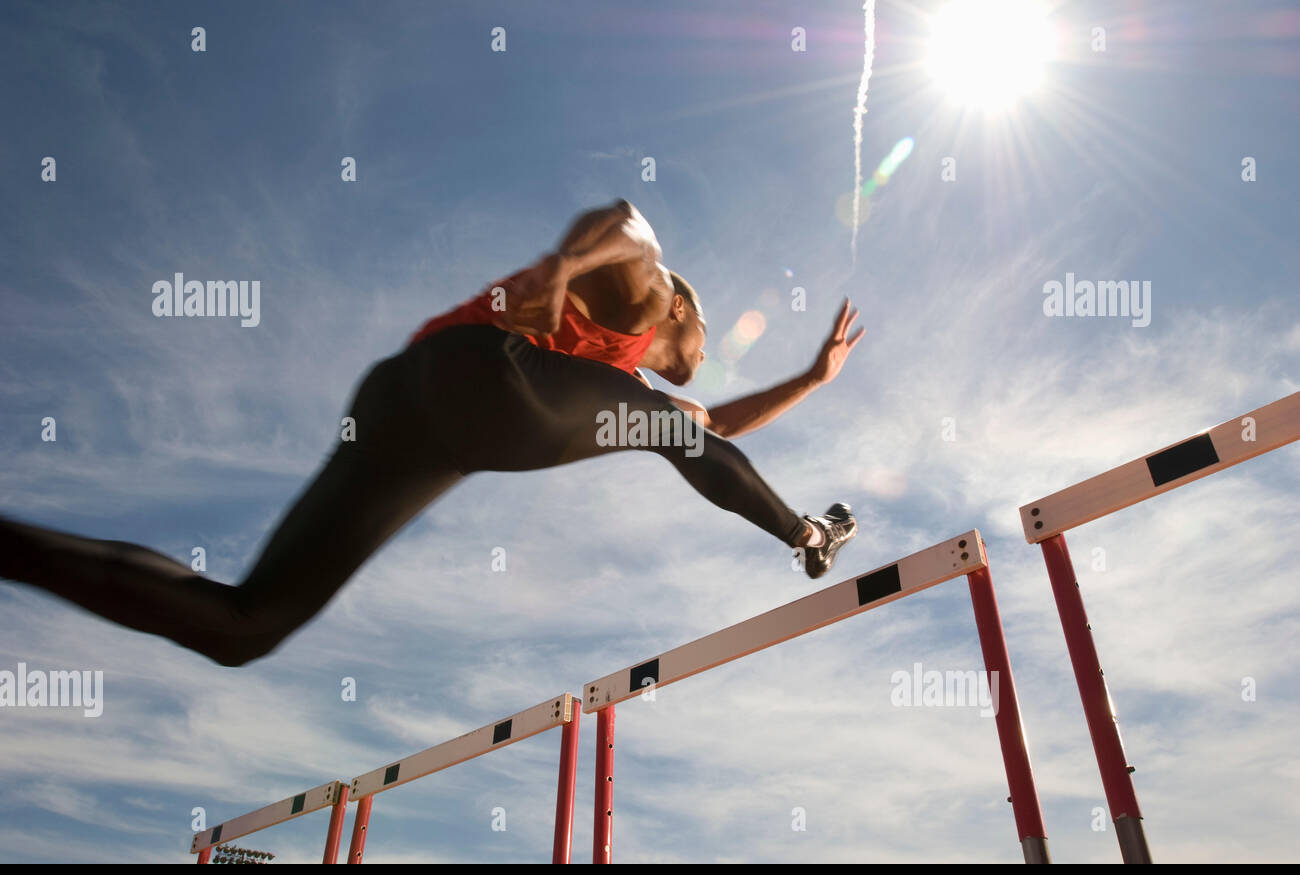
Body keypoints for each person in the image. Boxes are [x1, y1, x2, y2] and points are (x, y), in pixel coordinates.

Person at [0, 200, 863, 667]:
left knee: (244, 625)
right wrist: (564, 266)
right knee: (672, 426)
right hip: (480, 377)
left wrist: (811, 380)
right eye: (705, 343)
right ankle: (807, 533)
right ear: (682, 310)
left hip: (402, 405)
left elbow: (713, 430)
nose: (703, 359)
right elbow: (631, 223)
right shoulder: (644, 301)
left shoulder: (624, 383)